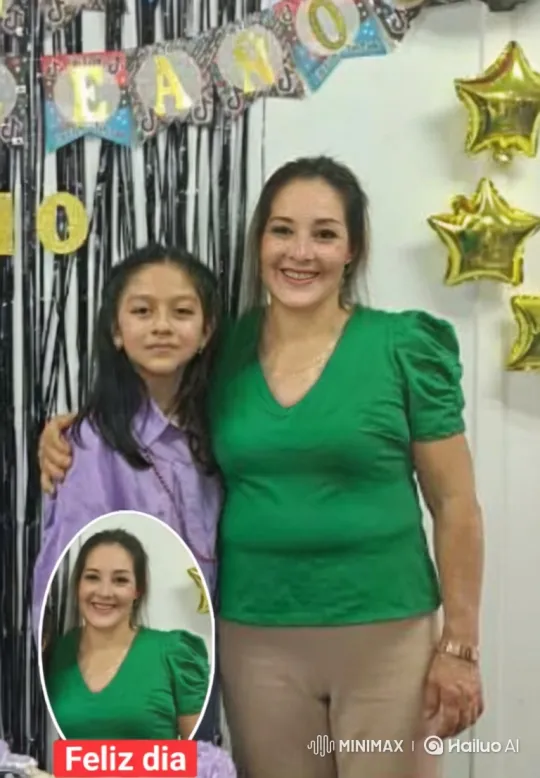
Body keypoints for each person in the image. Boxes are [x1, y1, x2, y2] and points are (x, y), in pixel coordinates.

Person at [38, 155, 484, 778]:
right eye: (282, 230)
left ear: (352, 250)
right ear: (259, 242)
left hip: (385, 635)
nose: (300, 252)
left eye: (324, 233)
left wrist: (459, 645)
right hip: (255, 639)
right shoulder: (223, 353)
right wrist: (64, 432)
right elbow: (152, 408)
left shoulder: (403, 346)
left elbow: (456, 503)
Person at [33, 243, 222, 632]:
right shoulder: (88, 446)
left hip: (202, 652)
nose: (162, 326)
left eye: (182, 312)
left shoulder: (221, 433)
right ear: (116, 331)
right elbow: (64, 572)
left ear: (206, 331)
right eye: (142, 311)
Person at [42, 529, 210, 740]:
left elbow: (202, 758)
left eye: (120, 580)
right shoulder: (56, 652)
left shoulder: (175, 653)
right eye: (92, 577)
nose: (104, 592)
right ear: (78, 585)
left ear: (137, 591)